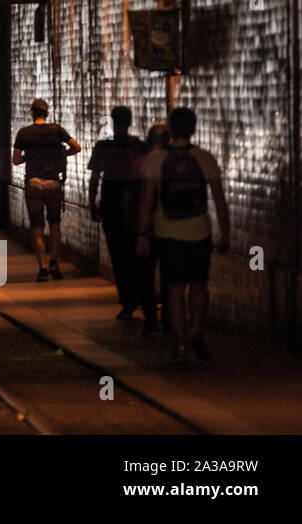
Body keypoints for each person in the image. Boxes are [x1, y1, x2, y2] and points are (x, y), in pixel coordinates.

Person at [136, 107, 230, 363]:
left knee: (174, 289)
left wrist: (143, 235)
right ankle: (196, 331)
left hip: (168, 235)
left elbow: (146, 203)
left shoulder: (155, 160)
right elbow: (220, 201)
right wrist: (226, 233)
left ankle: (179, 344)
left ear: (170, 130)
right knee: (199, 286)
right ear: (194, 128)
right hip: (200, 233)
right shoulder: (204, 158)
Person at [12, 98, 81, 281]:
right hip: (53, 184)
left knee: (37, 228)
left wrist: (30, 157)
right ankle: (54, 262)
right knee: (55, 224)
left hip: (34, 184)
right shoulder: (56, 130)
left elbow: (16, 160)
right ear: (47, 113)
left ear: (31, 112)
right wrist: (61, 153)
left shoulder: (24, 133)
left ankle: (42, 268)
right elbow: (76, 147)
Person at [88, 107, 146, 320]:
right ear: (130, 121)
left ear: (112, 121)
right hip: (136, 205)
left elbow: (95, 178)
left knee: (118, 255)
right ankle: (139, 294)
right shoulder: (140, 147)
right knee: (136, 254)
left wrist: (92, 204)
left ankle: (127, 300)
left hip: (111, 203)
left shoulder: (103, 147)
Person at [132, 122, 170, 335]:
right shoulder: (174, 164)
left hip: (146, 229)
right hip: (171, 229)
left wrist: (138, 231)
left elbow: (132, 199)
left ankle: (150, 320)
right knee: (169, 277)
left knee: (144, 277)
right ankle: (168, 319)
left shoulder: (138, 165)